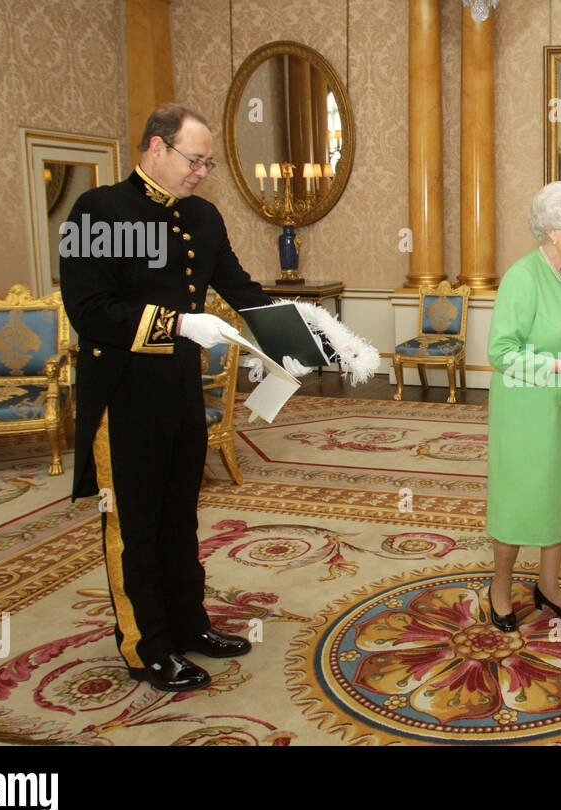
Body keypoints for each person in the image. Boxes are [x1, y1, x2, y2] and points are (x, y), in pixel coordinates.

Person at [61, 104, 376, 692]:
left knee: (180, 515)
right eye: (195, 159)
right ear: (156, 148)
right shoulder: (97, 211)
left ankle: (188, 625)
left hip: (181, 391)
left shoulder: (203, 217)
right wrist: (177, 326)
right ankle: (145, 646)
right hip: (123, 395)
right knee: (134, 523)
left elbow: (243, 292)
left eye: (207, 163)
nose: (202, 172)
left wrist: (316, 338)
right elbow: (89, 311)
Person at [485, 181, 561, 631]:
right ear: (554, 229)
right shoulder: (522, 277)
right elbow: (502, 354)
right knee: (519, 499)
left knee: (558, 495)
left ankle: (549, 586)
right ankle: (500, 589)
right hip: (526, 409)